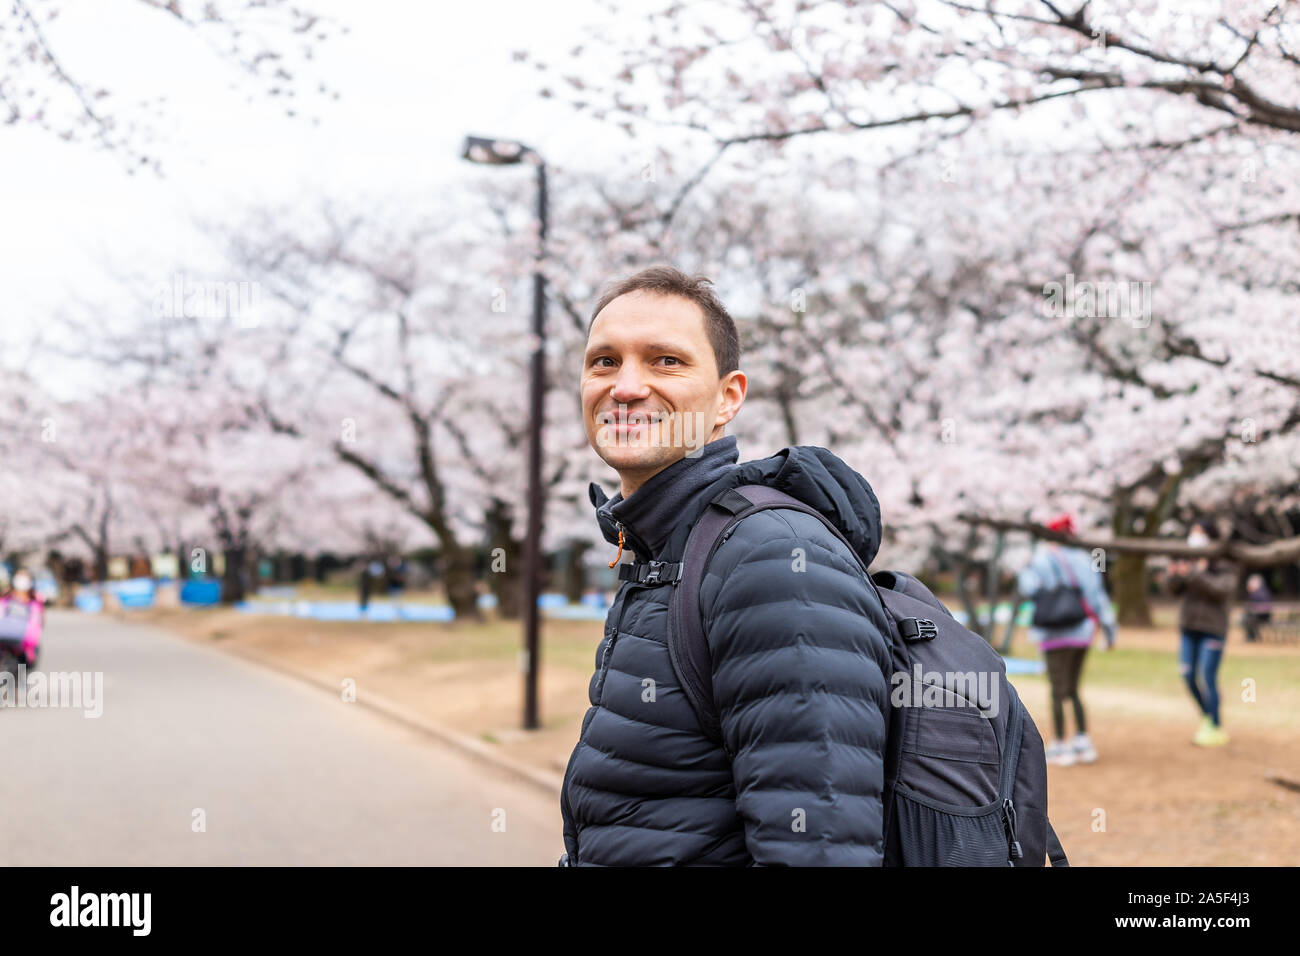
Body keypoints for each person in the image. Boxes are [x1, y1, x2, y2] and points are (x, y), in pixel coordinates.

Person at [559, 266, 893, 866]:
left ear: (727, 398)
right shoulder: (667, 544)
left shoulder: (771, 560)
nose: (626, 386)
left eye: (665, 361)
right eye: (604, 361)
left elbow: (819, 851)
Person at [1016, 516, 1117, 767]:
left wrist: (1026, 568)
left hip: (1053, 633)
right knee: (1073, 688)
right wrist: (1109, 629)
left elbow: (1029, 589)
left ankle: (1061, 744)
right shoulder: (1086, 559)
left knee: (1056, 690)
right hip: (1082, 631)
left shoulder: (1040, 560)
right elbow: (1097, 597)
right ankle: (1083, 741)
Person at [1168, 521, 1235, 747]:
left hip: (1213, 629)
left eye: (1199, 533)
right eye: (1192, 532)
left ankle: (1215, 726)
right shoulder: (1188, 559)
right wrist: (1176, 575)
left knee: (1207, 676)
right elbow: (1174, 591)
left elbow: (1221, 591)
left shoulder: (1224, 563)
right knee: (1187, 675)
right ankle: (1208, 717)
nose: (1194, 537)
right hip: (1189, 628)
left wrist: (1195, 574)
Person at [0, 569, 46, 671]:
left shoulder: (35, 601)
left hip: (24, 639)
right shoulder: (6, 598)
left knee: (23, 666)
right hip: (4, 637)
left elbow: (37, 621)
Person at [1242, 573, 1272, 643]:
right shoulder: (1258, 592)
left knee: (1247, 620)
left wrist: (1252, 608)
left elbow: (1261, 606)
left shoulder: (1259, 593)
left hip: (1262, 616)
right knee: (1246, 619)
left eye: (1250, 584)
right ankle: (1252, 637)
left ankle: (1251, 637)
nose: (1248, 586)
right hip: (1260, 615)